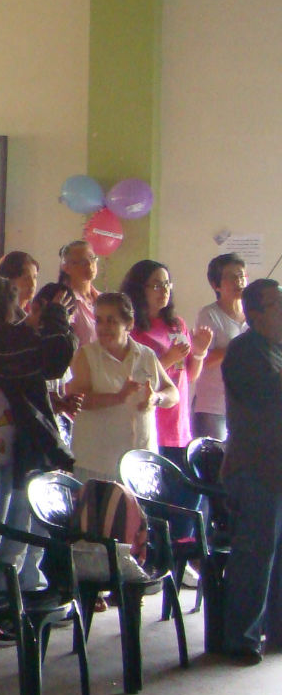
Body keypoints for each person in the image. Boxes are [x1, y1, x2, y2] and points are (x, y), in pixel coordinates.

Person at [0, 276, 76, 588]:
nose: (20, 311)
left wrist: (31, 326)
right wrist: (55, 318)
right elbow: (53, 358)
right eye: (15, 303)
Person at [219, 279, 282, 664]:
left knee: (275, 554)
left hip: (277, 467)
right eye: (276, 304)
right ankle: (242, 638)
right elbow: (268, 397)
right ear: (255, 313)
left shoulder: (277, 349)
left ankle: (276, 630)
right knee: (254, 554)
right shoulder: (245, 351)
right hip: (255, 468)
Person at [68, 292, 178, 484]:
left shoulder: (146, 355)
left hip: (141, 464)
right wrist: (118, 397)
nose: (104, 328)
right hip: (98, 463)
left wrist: (156, 398)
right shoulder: (87, 355)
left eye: (111, 321)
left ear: (129, 324)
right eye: (99, 321)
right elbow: (77, 400)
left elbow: (173, 393)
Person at [120, 259, 212, 469]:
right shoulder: (132, 329)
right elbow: (135, 377)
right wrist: (169, 358)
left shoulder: (176, 324)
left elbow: (189, 376)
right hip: (151, 421)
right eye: (156, 285)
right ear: (139, 289)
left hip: (178, 423)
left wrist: (199, 352)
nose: (164, 290)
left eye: (167, 284)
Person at [193, 252, 248, 441]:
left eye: (241, 276)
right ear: (216, 285)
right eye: (231, 277)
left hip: (245, 404)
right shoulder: (209, 315)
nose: (238, 281)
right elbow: (204, 361)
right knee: (216, 456)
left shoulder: (254, 316)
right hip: (214, 406)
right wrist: (238, 346)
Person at [58, 239, 101, 345]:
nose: (89, 264)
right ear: (66, 268)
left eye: (92, 258)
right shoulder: (65, 300)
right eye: (82, 262)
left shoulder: (103, 298)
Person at [0, 250, 40, 316]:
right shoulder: (2, 314)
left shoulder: (32, 310)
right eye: (26, 278)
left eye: (35, 277)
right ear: (9, 280)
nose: (32, 284)